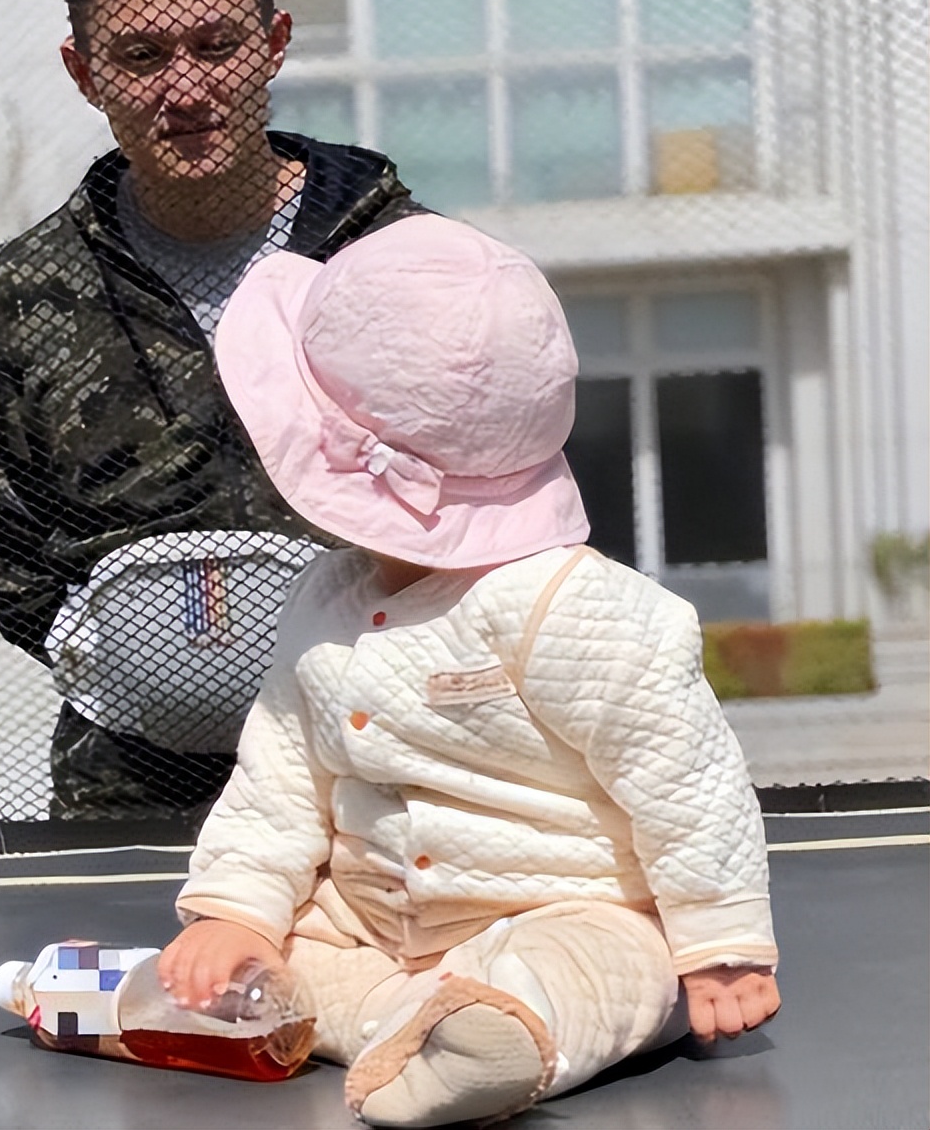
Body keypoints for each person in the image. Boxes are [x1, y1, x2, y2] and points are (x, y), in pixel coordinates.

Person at [158, 215, 780, 1127]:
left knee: (612, 969)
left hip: (562, 910)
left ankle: (502, 1035)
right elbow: (279, 778)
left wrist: (721, 942)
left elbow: (686, 780)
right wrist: (239, 914)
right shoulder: (324, 596)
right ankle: (420, 1028)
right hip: (370, 925)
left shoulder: (569, 605)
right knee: (277, 963)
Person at [0, 0, 424, 820]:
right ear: (84, 71)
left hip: (380, 779)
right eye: (142, 55)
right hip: (129, 795)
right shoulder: (27, 295)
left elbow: (491, 502)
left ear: (274, 44)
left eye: (219, 45)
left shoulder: (401, 259)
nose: (187, 88)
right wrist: (138, 680)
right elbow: (10, 547)